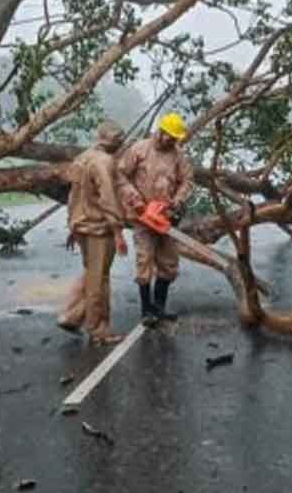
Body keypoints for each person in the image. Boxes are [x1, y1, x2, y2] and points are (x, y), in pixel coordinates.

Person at [57, 120, 129, 345]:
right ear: (114, 141)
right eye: (120, 141)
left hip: (81, 226)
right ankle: (98, 330)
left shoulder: (82, 158)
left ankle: (71, 316)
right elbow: (108, 199)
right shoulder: (104, 162)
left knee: (91, 273)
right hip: (98, 228)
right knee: (99, 280)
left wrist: (72, 224)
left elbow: (73, 196)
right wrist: (118, 231)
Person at [117, 113, 194, 323]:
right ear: (160, 132)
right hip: (142, 215)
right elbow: (120, 175)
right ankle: (146, 311)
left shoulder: (178, 155)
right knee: (145, 260)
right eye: (169, 136)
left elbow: (187, 180)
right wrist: (134, 199)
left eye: (175, 138)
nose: (171, 141)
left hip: (166, 217)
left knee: (169, 262)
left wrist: (178, 200)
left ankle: (159, 307)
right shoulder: (139, 149)